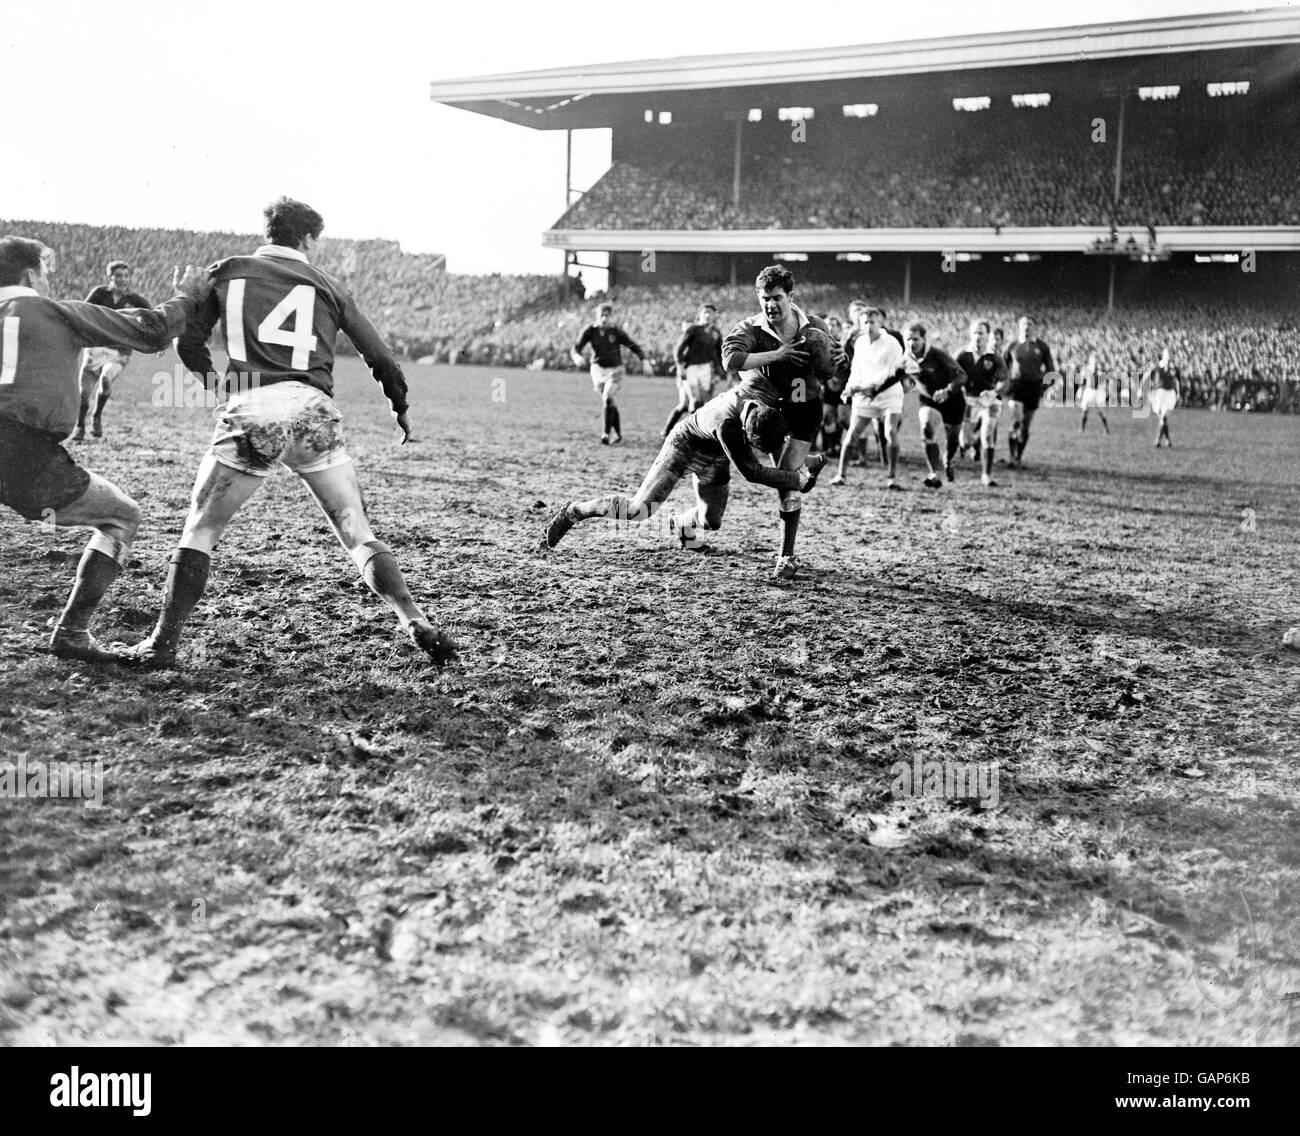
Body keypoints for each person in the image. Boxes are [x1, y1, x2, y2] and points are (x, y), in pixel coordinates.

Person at [116, 197, 456, 669]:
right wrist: (400, 407)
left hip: (256, 407)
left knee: (202, 527)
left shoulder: (226, 271)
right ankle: (413, 617)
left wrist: (215, 385)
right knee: (355, 527)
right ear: (310, 238)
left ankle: (161, 642)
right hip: (315, 411)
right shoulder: (329, 285)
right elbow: (380, 357)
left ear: (270, 232)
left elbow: (189, 341)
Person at [0, 237, 210, 661]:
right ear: (29, 275)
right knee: (122, 516)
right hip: (22, 452)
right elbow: (151, 332)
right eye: (44, 271)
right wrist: (186, 295)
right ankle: (72, 633)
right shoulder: (53, 311)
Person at [542, 387, 826, 553]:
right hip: (684, 446)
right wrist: (796, 479)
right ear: (747, 433)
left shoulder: (764, 413)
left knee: (711, 521)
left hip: (715, 454)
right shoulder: (727, 425)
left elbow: (773, 446)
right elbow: (752, 472)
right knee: (638, 510)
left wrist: (803, 461)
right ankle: (575, 510)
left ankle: (681, 524)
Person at [722, 265, 838, 581]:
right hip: (770, 412)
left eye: (776, 298)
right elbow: (731, 361)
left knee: (784, 482)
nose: (770, 305)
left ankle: (786, 557)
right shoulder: (751, 328)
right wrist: (778, 355)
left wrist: (837, 358)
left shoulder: (814, 327)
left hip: (804, 412)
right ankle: (808, 465)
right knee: (776, 473)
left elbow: (831, 371)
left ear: (790, 296)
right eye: (764, 299)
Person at [72, 260, 152, 440]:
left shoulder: (135, 300)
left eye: (126, 276)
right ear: (110, 277)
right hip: (95, 348)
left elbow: (152, 316)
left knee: (106, 379)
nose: (123, 280)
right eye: (118, 276)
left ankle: (97, 416)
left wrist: (151, 337)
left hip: (119, 352)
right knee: (83, 392)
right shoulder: (100, 293)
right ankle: (79, 425)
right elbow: (83, 310)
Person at [831, 307, 905, 489]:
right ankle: (841, 475)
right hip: (864, 394)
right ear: (861, 324)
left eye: (873, 322)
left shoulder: (891, 343)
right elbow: (856, 369)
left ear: (880, 322)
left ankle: (892, 477)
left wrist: (866, 387)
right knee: (852, 435)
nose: (869, 325)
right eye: (866, 322)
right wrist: (849, 388)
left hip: (889, 394)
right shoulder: (861, 343)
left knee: (890, 432)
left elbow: (892, 372)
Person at [571, 302, 651, 444]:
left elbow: (633, 345)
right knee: (609, 401)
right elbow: (576, 348)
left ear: (611, 317)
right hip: (597, 369)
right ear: (597, 316)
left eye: (607, 316)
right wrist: (577, 357)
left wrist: (644, 361)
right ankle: (618, 434)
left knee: (608, 397)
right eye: (602, 315)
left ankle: (606, 434)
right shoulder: (590, 330)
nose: (604, 318)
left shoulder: (616, 332)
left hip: (615, 369)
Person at [901, 321, 966, 488]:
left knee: (952, 440)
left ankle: (948, 459)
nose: (911, 343)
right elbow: (896, 377)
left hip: (953, 399)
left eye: (915, 339)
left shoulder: (937, 355)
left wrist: (947, 390)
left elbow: (961, 376)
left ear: (924, 339)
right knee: (926, 429)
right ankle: (934, 473)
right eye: (908, 339)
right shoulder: (904, 359)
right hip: (929, 400)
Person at [956, 319, 1008, 487]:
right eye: (975, 333)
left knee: (988, 434)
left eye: (981, 333)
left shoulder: (995, 357)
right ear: (970, 334)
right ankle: (973, 442)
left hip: (990, 401)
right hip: (969, 401)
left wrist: (993, 392)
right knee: (965, 441)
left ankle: (987, 474)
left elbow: (1004, 381)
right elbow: (952, 376)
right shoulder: (961, 355)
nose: (978, 336)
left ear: (987, 336)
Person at [1003, 315, 1056, 469]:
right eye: (1024, 324)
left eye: (1030, 324)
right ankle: (1011, 457)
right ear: (1019, 326)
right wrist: (1004, 382)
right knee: (1015, 422)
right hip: (1016, 387)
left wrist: (1045, 386)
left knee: (1025, 426)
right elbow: (1003, 366)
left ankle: (1019, 456)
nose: (1027, 327)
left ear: (1034, 327)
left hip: (1033, 388)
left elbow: (1050, 368)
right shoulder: (1012, 346)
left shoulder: (1042, 346)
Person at [1144, 347, 1180, 447]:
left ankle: (1159, 441)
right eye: (1166, 355)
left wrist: (1178, 393)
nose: (1168, 357)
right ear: (1163, 356)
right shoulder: (1158, 366)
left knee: (1163, 417)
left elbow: (1177, 381)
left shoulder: (1175, 368)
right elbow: (1149, 377)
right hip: (1160, 394)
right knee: (1162, 418)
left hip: (1170, 394)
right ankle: (1165, 440)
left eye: (1169, 355)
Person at [1077, 351, 1111, 435]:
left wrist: (1106, 390)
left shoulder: (1100, 369)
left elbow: (1104, 380)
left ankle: (1106, 429)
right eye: (1092, 358)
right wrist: (1080, 389)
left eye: (1095, 358)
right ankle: (1081, 429)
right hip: (1089, 391)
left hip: (1097, 391)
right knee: (1084, 410)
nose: (1093, 360)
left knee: (1101, 411)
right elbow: (1082, 379)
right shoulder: (1087, 369)